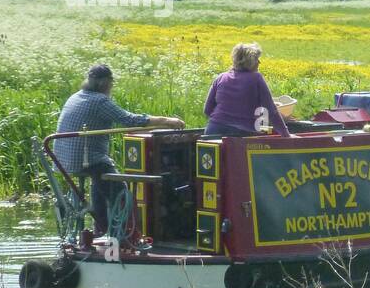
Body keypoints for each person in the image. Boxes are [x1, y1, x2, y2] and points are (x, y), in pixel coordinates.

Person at [54, 63, 185, 236]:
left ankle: (101, 229)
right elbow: (129, 119)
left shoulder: (76, 96)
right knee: (122, 195)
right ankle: (127, 236)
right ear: (105, 83)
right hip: (87, 159)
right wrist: (168, 121)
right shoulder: (100, 101)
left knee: (101, 181)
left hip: (64, 160)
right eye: (111, 83)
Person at [203, 42, 291, 138]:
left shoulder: (221, 77)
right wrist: (286, 135)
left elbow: (207, 110)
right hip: (241, 134)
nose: (259, 62)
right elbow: (271, 111)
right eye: (257, 59)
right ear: (250, 61)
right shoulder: (256, 78)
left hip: (213, 131)